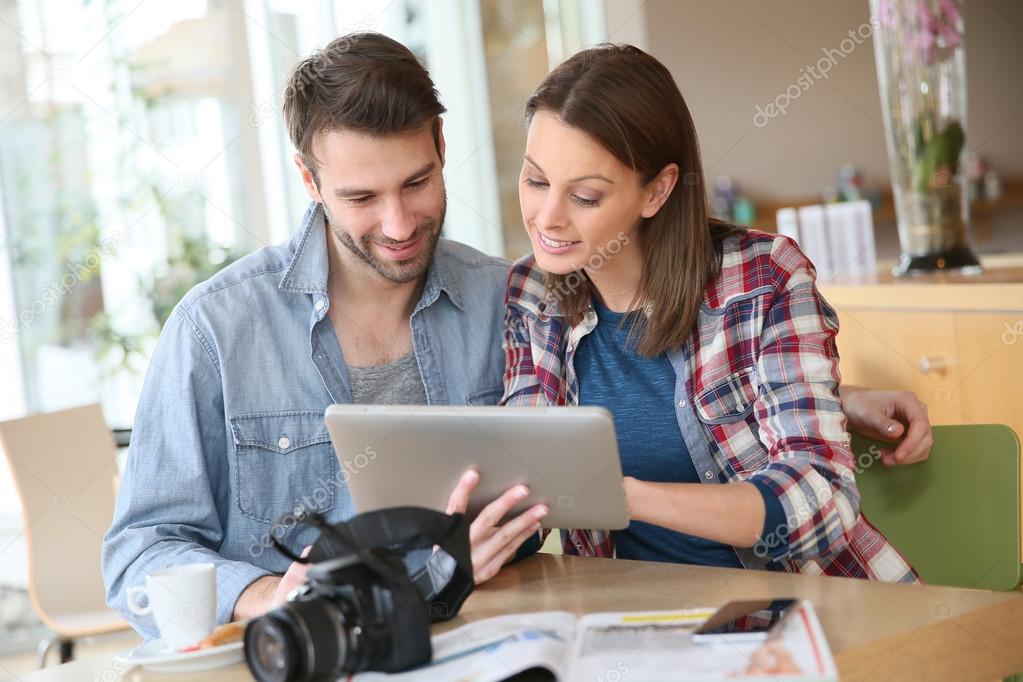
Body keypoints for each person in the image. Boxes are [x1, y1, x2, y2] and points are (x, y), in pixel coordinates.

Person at [103, 33, 930, 637]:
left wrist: (824, 398)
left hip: (744, 615)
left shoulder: (500, 293)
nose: (397, 223)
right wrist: (258, 597)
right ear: (309, 181)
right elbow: (139, 551)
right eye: (360, 198)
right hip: (355, 646)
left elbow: (716, 422)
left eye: (419, 182)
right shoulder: (218, 329)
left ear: (443, 150)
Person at [501, 43, 918, 580]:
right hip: (626, 629)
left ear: (657, 190)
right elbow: (527, 484)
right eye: (535, 182)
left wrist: (622, 496)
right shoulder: (532, 293)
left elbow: (822, 497)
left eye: (584, 196)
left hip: (791, 614)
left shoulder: (763, 277)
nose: (547, 217)